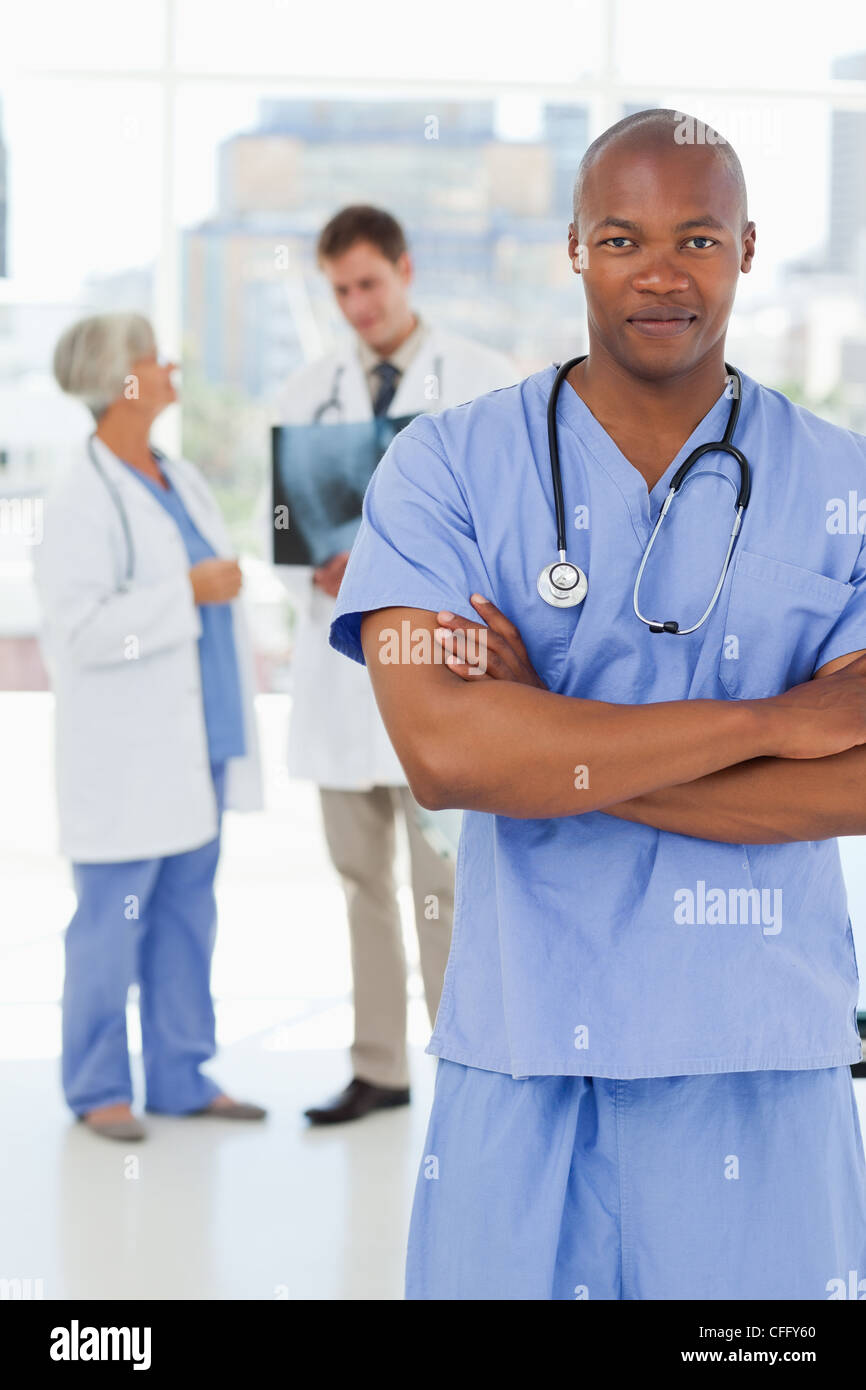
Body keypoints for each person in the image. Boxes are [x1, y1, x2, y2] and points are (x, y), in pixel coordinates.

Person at [328, 111, 866, 1298]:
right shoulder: (444, 467)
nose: (661, 272)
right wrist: (774, 724)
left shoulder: (842, 484)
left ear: (747, 249)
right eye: (622, 238)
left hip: (759, 1063)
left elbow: (858, 786)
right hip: (524, 1053)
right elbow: (445, 755)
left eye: (698, 237)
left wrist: (547, 737)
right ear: (574, 247)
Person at [275, 206, 517, 1125]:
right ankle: (378, 1067)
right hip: (343, 676)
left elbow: (508, 526)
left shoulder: (483, 382)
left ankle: (464, 1063)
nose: (357, 306)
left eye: (369, 284)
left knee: (447, 886)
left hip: (440, 670)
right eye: (339, 291)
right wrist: (319, 567)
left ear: (405, 271)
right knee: (360, 882)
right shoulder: (307, 393)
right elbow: (286, 533)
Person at [36, 313, 266, 1142]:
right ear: (123, 380)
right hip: (127, 760)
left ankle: (180, 1075)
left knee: (185, 917)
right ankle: (98, 1088)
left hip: (196, 741)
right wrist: (190, 595)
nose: (170, 365)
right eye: (152, 357)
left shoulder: (174, 476)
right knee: (111, 923)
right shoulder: (79, 499)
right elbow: (77, 633)